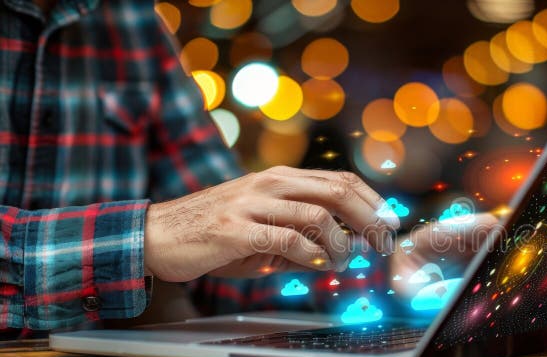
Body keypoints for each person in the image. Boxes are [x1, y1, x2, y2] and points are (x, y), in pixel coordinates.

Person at [0, 1, 494, 338]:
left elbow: (231, 259)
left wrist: (392, 271)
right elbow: (177, 234)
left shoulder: (131, 19)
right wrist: (143, 238)